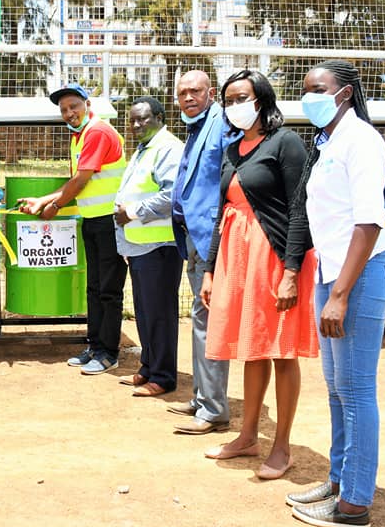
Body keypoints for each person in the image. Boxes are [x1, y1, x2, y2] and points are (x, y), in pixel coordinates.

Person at [289, 60, 385, 527]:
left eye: (320, 89)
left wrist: (340, 294)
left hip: (359, 277)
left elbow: (369, 222)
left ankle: (354, 504)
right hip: (332, 275)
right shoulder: (329, 142)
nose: (310, 96)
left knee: (356, 391)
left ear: (346, 93)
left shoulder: (362, 141)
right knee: (337, 389)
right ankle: (339, 480)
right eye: (306, 89)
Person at [199, 70, 317, 480]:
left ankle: (281, 446)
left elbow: (299, 210)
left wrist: (291, 271)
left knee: (281, 351)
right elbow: (222, 211)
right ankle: (248, 436)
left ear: (262, 99)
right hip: (237, 259)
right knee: (252, 348)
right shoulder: (233, 149)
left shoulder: (286, 144)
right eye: (228, 100)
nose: (234, 106)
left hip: (274, 257)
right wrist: (211, 270)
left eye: (242, 97)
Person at [19, 83, 128, 375]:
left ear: (87, 104)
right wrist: (43, 199)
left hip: (110, 221)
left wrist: (53, 207)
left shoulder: (97, 132)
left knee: (108, 290)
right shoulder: (79, 138)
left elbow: (80, 181)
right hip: (92, 220)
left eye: (73, 107)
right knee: (94, 288)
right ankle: (95, 345)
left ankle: (109, 352)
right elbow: (76, 182)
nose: (69, 113)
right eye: (64, 110)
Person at [168, 69, 236, 434]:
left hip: (212, 237)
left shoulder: (222, 124)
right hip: (192, 237)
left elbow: (230, 179)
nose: (188, 97)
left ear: (210, 93)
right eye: (182, 93)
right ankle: (202, 397)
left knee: (208, 321)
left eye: (195, 91)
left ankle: (213, 409)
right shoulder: (196, 128)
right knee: (199, 320)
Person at [113, 97, 184, 396]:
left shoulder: (168, 148)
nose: (136, 125)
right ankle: (148, 366)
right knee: (144, 310)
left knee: (160, 312)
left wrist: (132, 212)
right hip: (141, 245)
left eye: (143, 118)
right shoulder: (145, 149)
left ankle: (164, 376)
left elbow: (172, 195)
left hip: (160, 245)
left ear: (159, 117)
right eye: (132, 120)